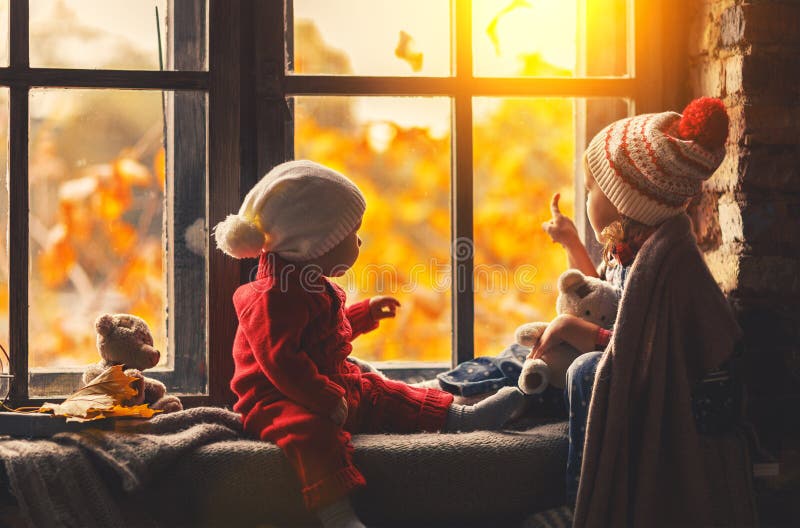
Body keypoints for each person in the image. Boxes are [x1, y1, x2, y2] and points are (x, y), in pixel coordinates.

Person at [213, 160, 527, 528]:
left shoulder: (308, 284)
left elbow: (322, 337)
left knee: (384, 392)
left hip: (327, 382)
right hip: (276, 399)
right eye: (352, 234)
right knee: (312, 436)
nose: (359, 241)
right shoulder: (271, 298)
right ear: (315, 244)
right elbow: (282, 362)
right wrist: (323, 396)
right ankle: (336, 514)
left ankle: (462, 418)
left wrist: (363, 314)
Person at [530, 97, 756, 527]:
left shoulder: (670, 263)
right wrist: (572, 242)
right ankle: (463, 399)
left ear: (623, 203)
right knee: (538, 344)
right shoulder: (629, 249)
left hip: (692, 396)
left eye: (591, 190)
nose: (586, 198)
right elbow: (603, 302)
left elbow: (647, 350)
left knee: (585, 372)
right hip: (638, 363)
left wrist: (576, 330)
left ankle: (581, 503)